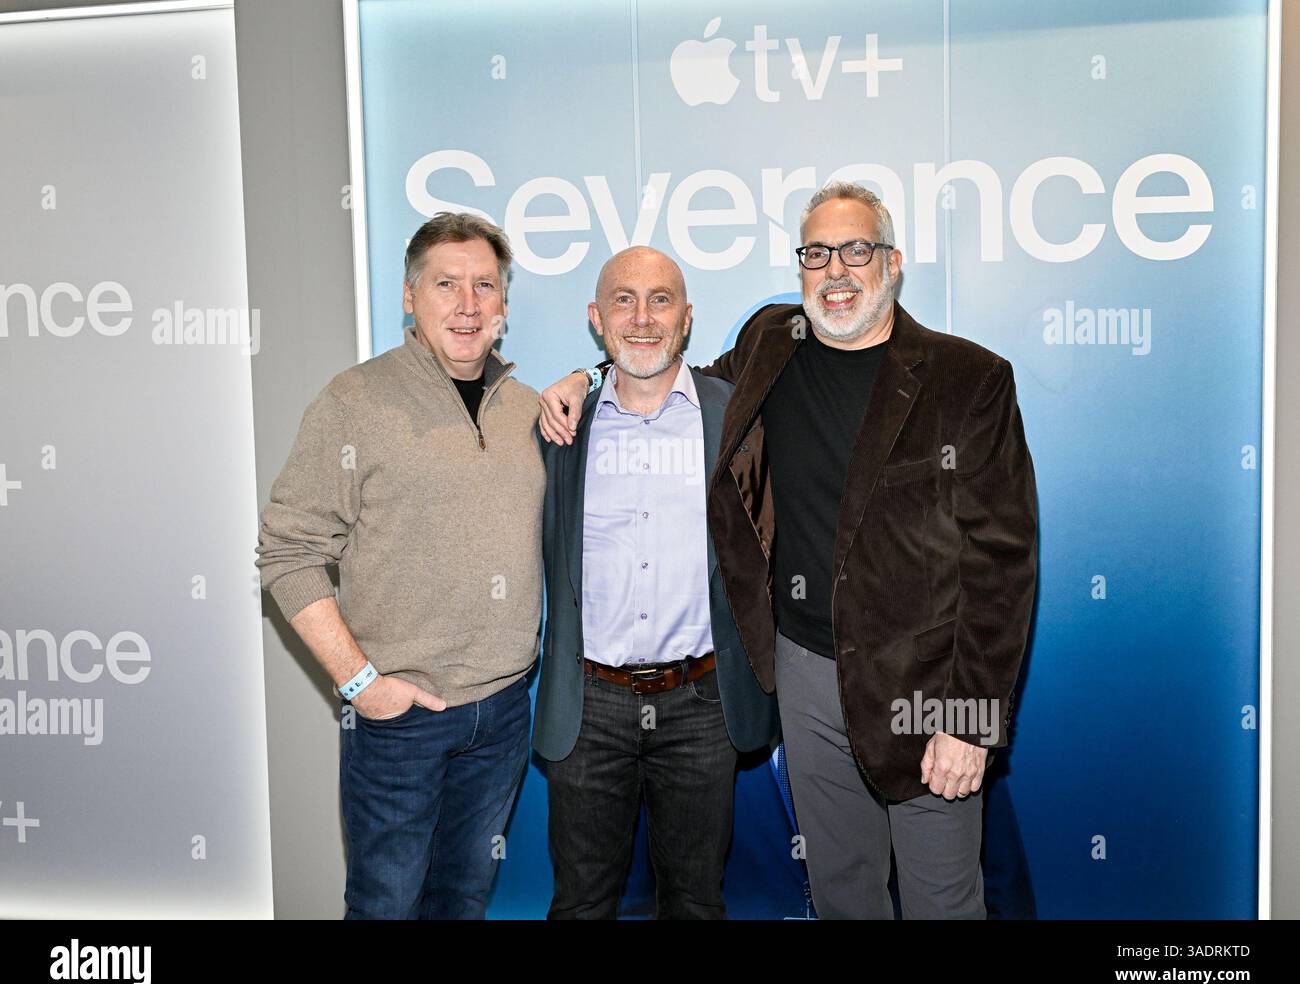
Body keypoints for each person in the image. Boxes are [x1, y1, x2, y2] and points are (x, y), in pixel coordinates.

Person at [539, 182, 1038, 919]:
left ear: (892, 263)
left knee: (942, 900)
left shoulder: (969, 379)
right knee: (841, 891)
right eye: (816, 252)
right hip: (805, 674)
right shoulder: (773, 341)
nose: (835, 270)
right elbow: (672, 375)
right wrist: (588, 377)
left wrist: (970, 720)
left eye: (856, 249)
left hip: (925, 686)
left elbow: (1002, 565)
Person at [256, 212, 544, 919]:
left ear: (504, 304)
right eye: (447, 283)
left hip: (504, 713)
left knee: (462, 901)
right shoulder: (354, 402)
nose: (468, 303)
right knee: (386, 905)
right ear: (411, 296)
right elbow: (287, 552)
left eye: (485, 285)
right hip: (399, 722)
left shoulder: (528, 408)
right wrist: (362, 684)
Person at [534, 246, 778, 919]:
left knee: (696, 903)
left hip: (702, 702)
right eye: (623, 299)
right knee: (580, 903)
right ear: (596, 317)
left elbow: (770, 550)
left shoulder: (737, 418)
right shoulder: (559, 422)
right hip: (589, 705)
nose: (643, 317)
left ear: (688, 317)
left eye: (661, 299)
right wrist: (584, 378)